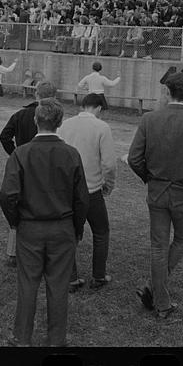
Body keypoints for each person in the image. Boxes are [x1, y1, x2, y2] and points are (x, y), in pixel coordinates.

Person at [127, 73, 183, 319]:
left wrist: (150, 177)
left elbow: (134, 159)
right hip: (180, 192)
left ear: (167, 92)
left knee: (162, 245)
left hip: (160, 192)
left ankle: (154, 288)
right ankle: (161, 301)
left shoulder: (151, 119)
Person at [0, 98, 90, 347]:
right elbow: (82, 198)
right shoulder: (71, 154)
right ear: (59, 122)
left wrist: (15, 221)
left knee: (28, 283)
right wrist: (77, 227)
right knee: (58, 285)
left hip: (31, 226)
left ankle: (22, 337)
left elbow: (8, 194)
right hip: (61, 227)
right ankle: (56, 338)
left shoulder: (21, 153)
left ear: (35, 120)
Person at [57, 93, 116, 292]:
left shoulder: (65, 125)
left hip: (68, 190)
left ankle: (71, 277)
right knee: (101, 231)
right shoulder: (102, 127)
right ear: (98, 108)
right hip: (91, 190)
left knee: (69, 233)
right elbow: (109, 163)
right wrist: (108, 184)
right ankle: (98, 275)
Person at [0, 80, 58, 266]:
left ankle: (14, 252)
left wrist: (15, 153)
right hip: (46, 168)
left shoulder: (21, 115)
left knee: (18, 204)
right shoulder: (56, 117)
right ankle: (43, 250)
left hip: (23, 165)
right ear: (54, 97)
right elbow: (5, 136)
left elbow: (4, 136)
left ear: (36, 95)